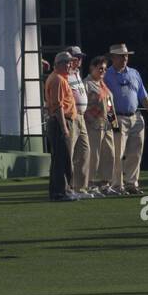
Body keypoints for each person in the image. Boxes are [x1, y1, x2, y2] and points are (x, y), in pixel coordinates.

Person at [104, 44, 148, 195]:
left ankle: (131, 184)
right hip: (118, 117)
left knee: (136, 152)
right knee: (117, 152)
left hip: (136, 117)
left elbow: (143, 95)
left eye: (126, 56)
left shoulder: (134, 73)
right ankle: (116, 185)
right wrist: (111, 120)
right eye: (121, 56)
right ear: (113, 58)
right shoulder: (106, 75)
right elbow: (106, 100)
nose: (125, 58)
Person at [43, 52, 79, 201]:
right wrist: (64, 128)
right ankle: (61, 192)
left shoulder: (59, 78)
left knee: (59, 158)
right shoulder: (58, 79)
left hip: (60, 121)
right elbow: (58, 106)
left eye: (70, 62)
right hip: (60, 122)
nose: (70, 65)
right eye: (67, 62)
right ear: (58, 64)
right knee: (62, 159)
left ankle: (59, 191)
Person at [84, 56, 121, 195]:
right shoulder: (86, 84)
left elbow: (110, 106)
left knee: (109, 154)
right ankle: (90, 183)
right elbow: (82, 106)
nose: (103, 71)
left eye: (105, 69)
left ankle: (105, 184)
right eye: (100, 68)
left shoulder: (103, 85)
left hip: (107, 127)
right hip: (93, 126)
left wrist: (115, 125)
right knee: (94, 156)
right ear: (92, 68)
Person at [67, 47, 93, 197]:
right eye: (76, 57)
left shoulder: (77, 74)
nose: (79, 60)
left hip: (82, 117)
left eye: (80, 57)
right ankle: (69, 188)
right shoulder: (64, 75)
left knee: (85, 151)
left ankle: (81, 188)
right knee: (69, 153)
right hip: (71, 116)